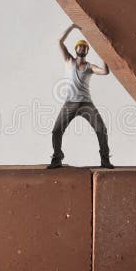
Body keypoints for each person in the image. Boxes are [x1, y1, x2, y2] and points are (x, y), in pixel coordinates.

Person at [48, 23, 114, 169]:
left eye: (85, 47)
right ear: (76, 49)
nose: (82, 48)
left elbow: (105, 71)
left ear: (87, 51)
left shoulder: (90, 67)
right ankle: (57, 158)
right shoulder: (69, 61)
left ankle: (105, 160)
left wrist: (103, 53)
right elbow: (59, 41)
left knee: (101, 129)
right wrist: (71, 27)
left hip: (86, 104)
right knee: (56, 130)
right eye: (80, 46)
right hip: (69, 103)